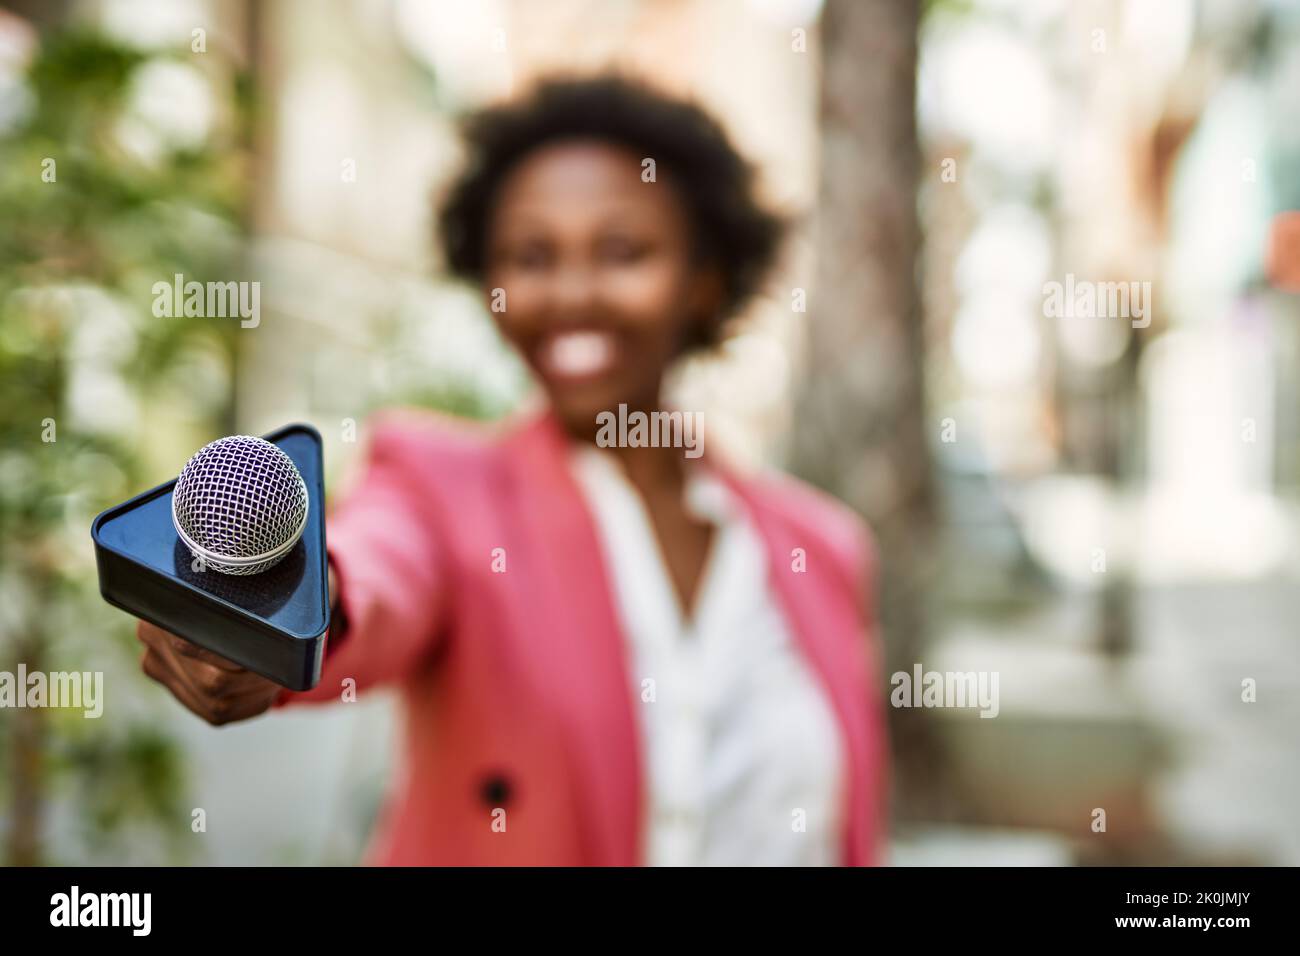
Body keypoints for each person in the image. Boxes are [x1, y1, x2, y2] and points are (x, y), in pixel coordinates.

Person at [136, 74, 888, 866]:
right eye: (531, 255)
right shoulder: (440, 484)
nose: (571, 292)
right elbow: (377, 578)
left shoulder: (823, 549)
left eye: (623, 252)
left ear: (704, 283)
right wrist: (279, 624)